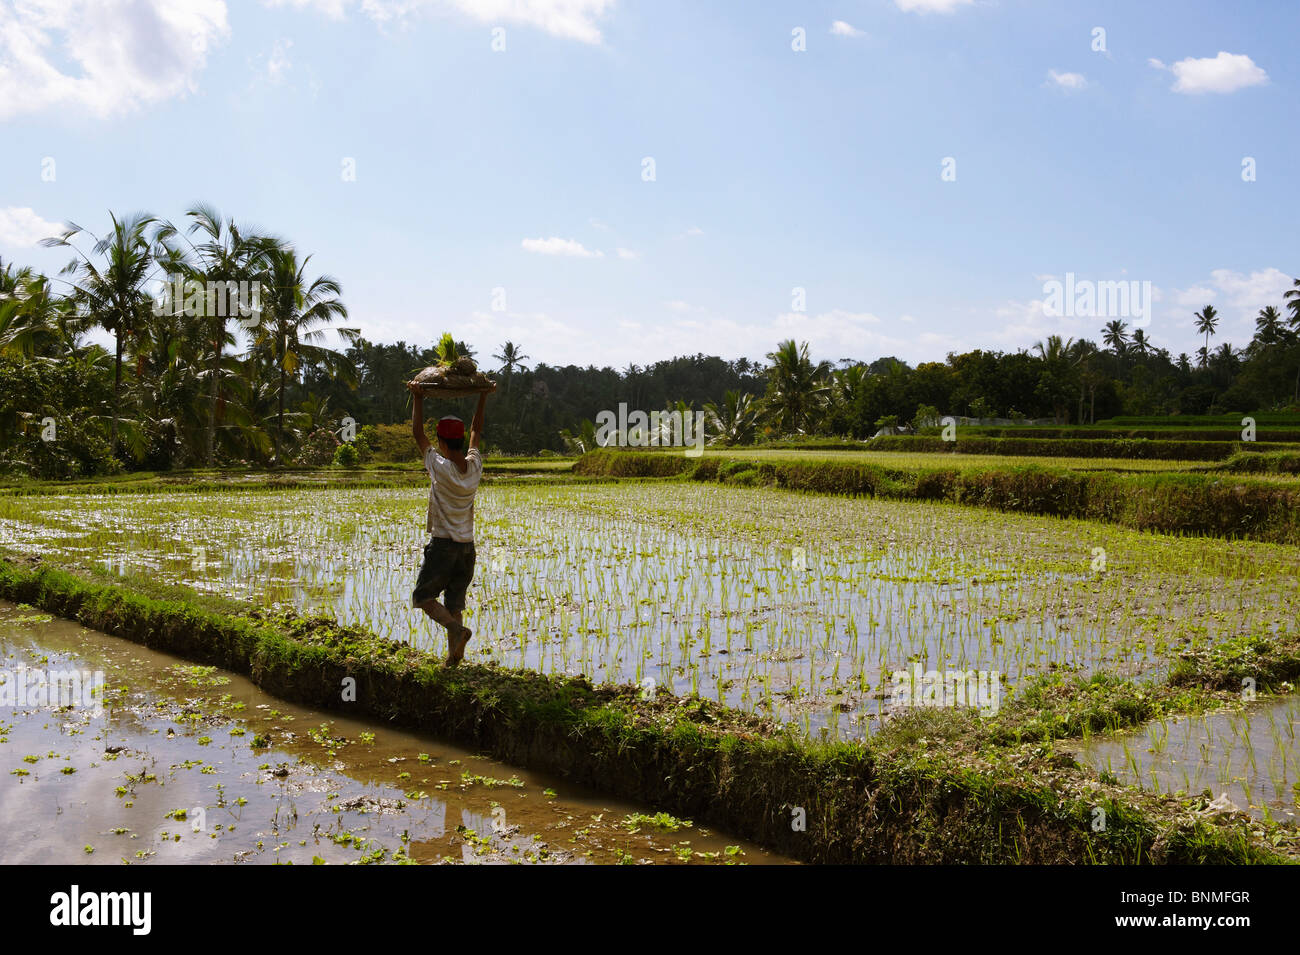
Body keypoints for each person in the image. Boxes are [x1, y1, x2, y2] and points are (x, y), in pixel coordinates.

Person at [407, 381, 487, 666]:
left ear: (441, 442)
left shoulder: (438, 467)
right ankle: (455, 658)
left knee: (423, 598)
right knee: (454, 604)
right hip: (467, 549)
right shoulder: (475, 466)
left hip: (443, 546)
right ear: (460, 440)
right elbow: (477, 431)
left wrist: (417, 397)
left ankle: (456, 630)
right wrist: (482, 397)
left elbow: (417, 433)